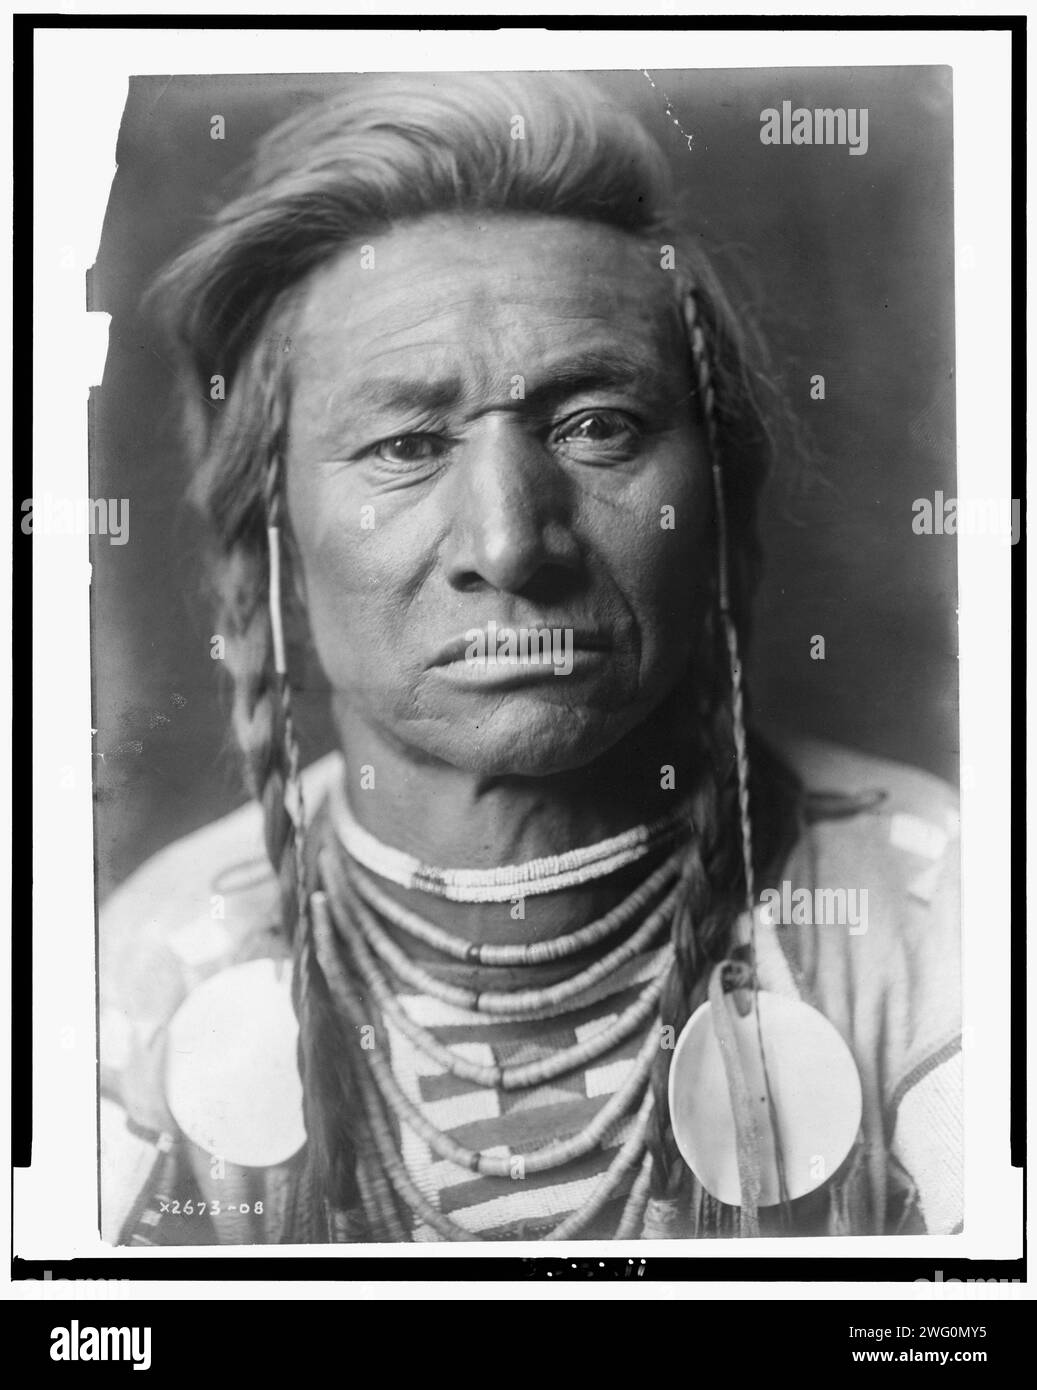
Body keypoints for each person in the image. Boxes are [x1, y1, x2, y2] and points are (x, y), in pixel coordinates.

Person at [98, 72, 961, 1245]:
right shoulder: (134, 990)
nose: (510, 545)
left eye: (597, 424)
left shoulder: (944, 928)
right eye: (403, 445)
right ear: (272, 531)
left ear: (717, 492)